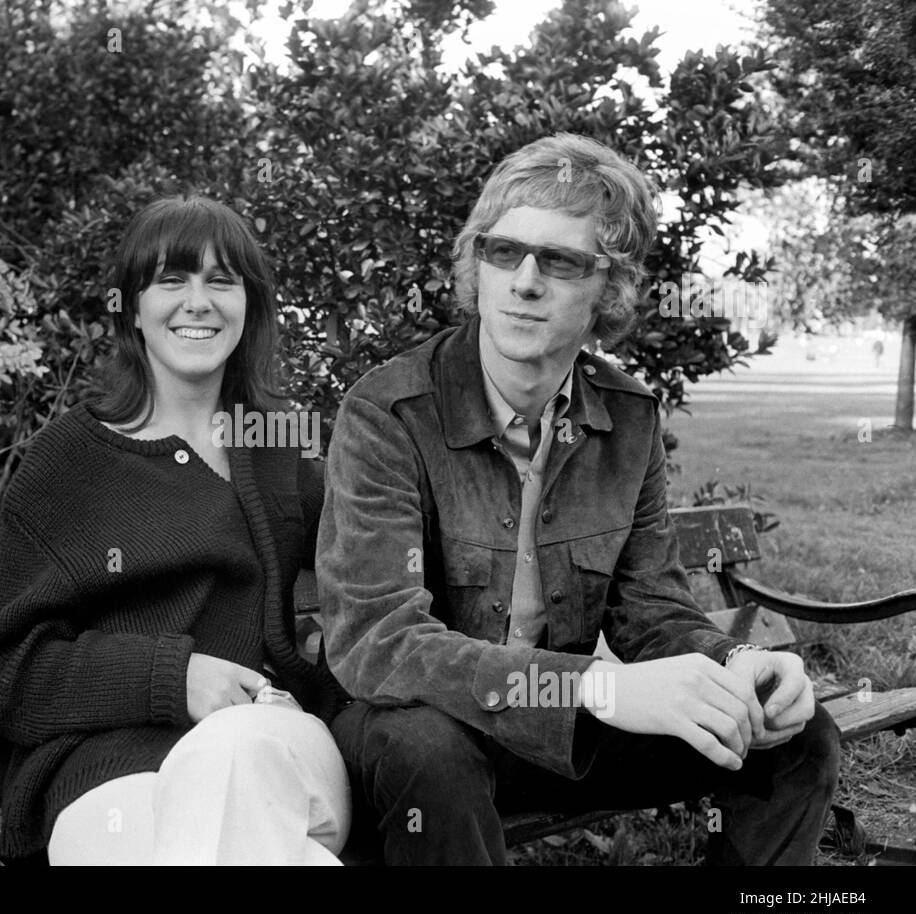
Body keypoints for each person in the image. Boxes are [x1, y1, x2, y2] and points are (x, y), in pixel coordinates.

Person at [316, 133, 840, 865]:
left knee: (796, 737)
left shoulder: (627, 420)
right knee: (425, 750)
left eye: (560, 262)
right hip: (425, 732)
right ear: (478, 265)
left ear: (609, 289)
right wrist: (594, 688)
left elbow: (650, 612)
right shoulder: (390, 413)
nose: (524, 281)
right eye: (504, 252)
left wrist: (737, 661)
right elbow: (379, 642)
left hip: (560, 732)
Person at [0, 194, 350, 866]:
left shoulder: (280, 447)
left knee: (232, 751)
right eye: (171, 279)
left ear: (250, 308)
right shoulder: (70, 462)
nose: (197, 302)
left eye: (221, 281)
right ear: (131, 309)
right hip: (110, 773)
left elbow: (368, 569)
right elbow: (2, 675)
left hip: (275, 751)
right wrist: (174, 678)